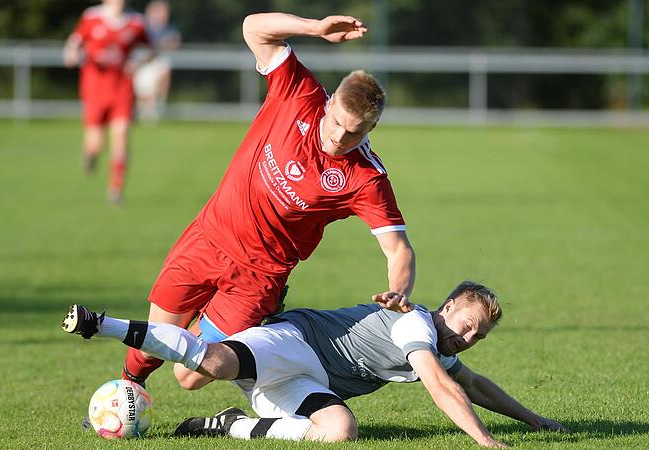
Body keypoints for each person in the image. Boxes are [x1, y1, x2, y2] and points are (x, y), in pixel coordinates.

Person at [119, 11, 417, 393]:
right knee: (156, 339)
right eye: (337, 123)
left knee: (189, 375)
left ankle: (248, 322)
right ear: (329, 104)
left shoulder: (366, 178)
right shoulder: (299, 94)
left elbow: (398, 249)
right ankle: (127, 389)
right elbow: (253, 28)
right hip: (209, 237)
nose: (339, 137)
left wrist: (398, 291)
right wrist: (315, 28)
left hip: (258, 278)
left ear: (371, 128)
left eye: (353, 132)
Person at [62, 281, 568, 446]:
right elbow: (441, 386)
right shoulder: (415, 323)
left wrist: (536, 421)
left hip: (308, 380)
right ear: (449, 306)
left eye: (479, 335)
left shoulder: (438, 346)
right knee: (212, 363)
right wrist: (485, 441)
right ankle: (102, 324)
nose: (469, 338)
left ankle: (228, 425)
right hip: (294, 341)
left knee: (339, 431)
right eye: (468, 324)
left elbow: (474, 385)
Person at [63, 0, 154, 203]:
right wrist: (71, 55)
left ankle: (116, 188)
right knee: (96, 143)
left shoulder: (136, 22)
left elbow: (151, 49)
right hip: (95, 90)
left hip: (122, 89)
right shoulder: (92, 17)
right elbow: (73, 43)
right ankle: (90, 154)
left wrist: (138, 62)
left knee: (121, 135)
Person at [134, 0, 181, 122]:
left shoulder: (169, 28)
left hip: (154, 63)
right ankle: (141, 111)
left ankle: (153, 110)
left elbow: (174, 43)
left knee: (162, 69)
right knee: (142, 90)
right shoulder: (141, 26)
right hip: (140, 63)